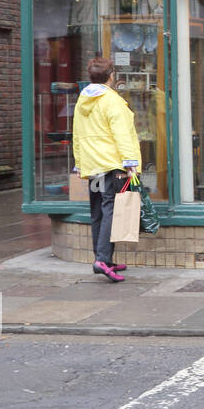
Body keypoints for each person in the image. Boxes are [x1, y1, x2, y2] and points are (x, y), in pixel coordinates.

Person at [72, 56, 141, 283]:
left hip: (93, 165)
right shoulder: (112, 101)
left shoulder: (83, 99)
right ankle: (102, 259)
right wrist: (131, 163)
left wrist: (80, 163)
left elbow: (77, 134)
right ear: (111, 75)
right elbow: (122, 135)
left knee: (98, 211)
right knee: (110, 209)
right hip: (111, 163)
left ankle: (103, 258)